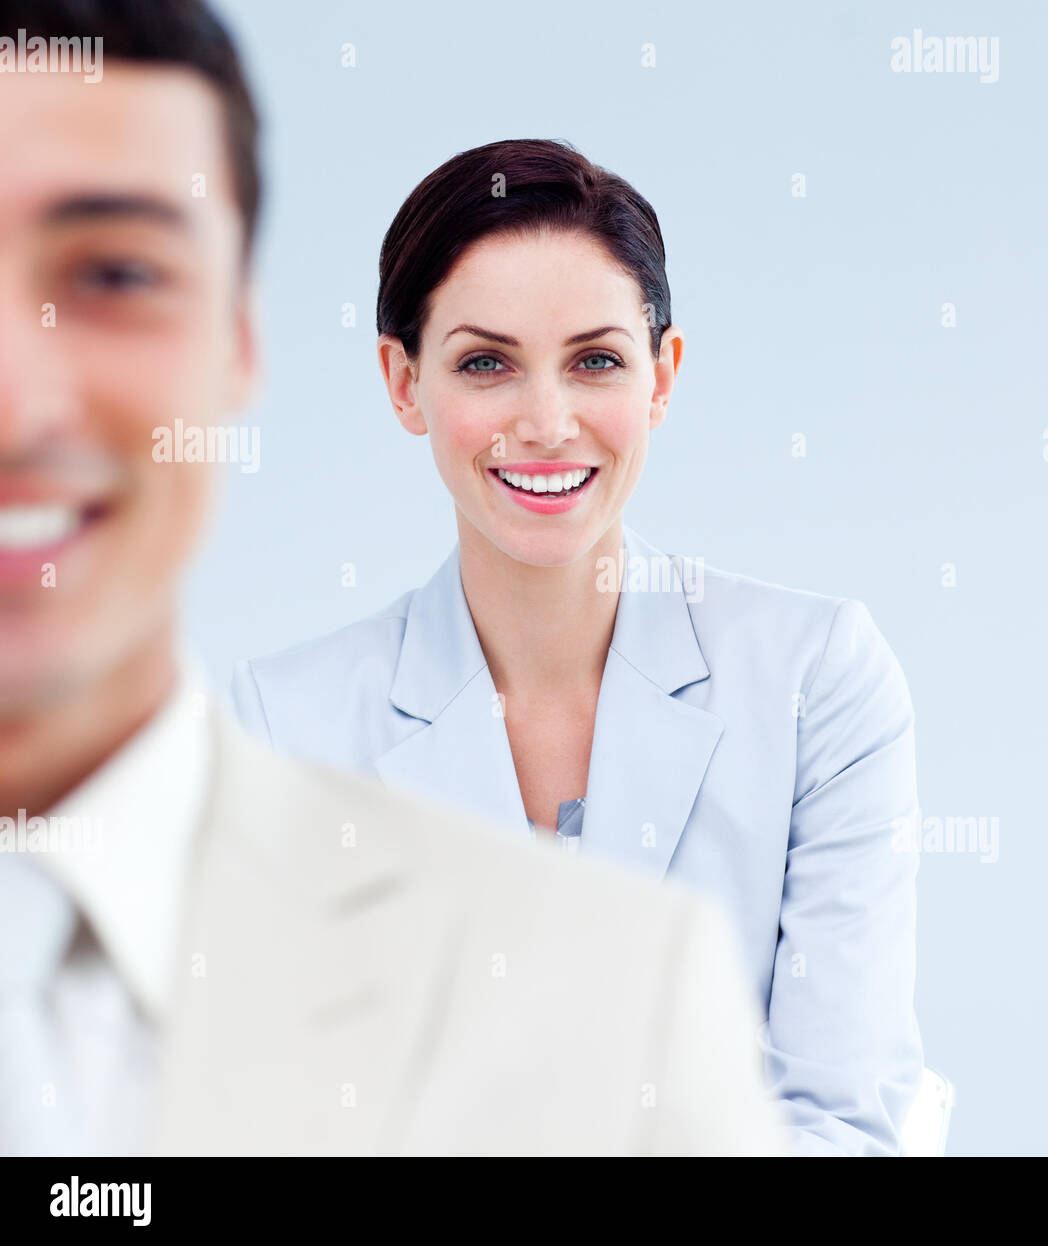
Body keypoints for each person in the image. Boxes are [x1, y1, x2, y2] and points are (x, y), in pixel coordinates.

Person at [0, 0, 785, 1157]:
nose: (20, 397)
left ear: (239, 344)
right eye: (484, 360)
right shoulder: (303, 707)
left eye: (117, 272)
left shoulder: (626, 995)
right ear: (400, 380)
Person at [234, 138, 925, 1155]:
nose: (547, 421)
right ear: (403, 381)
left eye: (595, 360)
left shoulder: (815, 681)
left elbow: (842, 1122)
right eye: (485, 363)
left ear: (661, 375)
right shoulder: (286, 729)